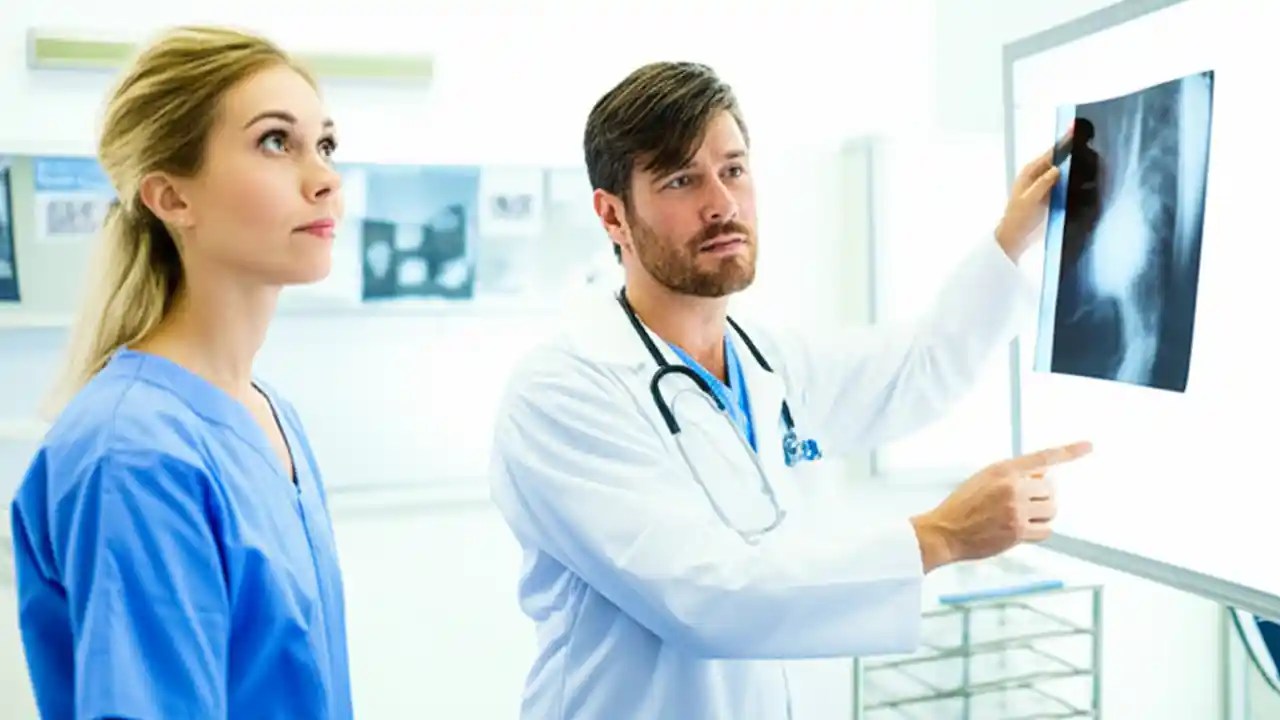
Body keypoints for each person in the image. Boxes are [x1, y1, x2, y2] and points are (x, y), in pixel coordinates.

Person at [488, 61, 1091, 719]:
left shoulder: (770, 363)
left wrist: (1014, 239)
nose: (722, 204)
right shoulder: (563, 393)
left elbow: (920, 368)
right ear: (613, 215)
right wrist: (941, 536)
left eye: (733, 169)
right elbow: (707, 598)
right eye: (682, 180)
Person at [9, 26, 352, 720]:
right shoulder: (135, 451)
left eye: (325, 145)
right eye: (275, 142)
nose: (325, 179)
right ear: (171, 198)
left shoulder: (269, 413)